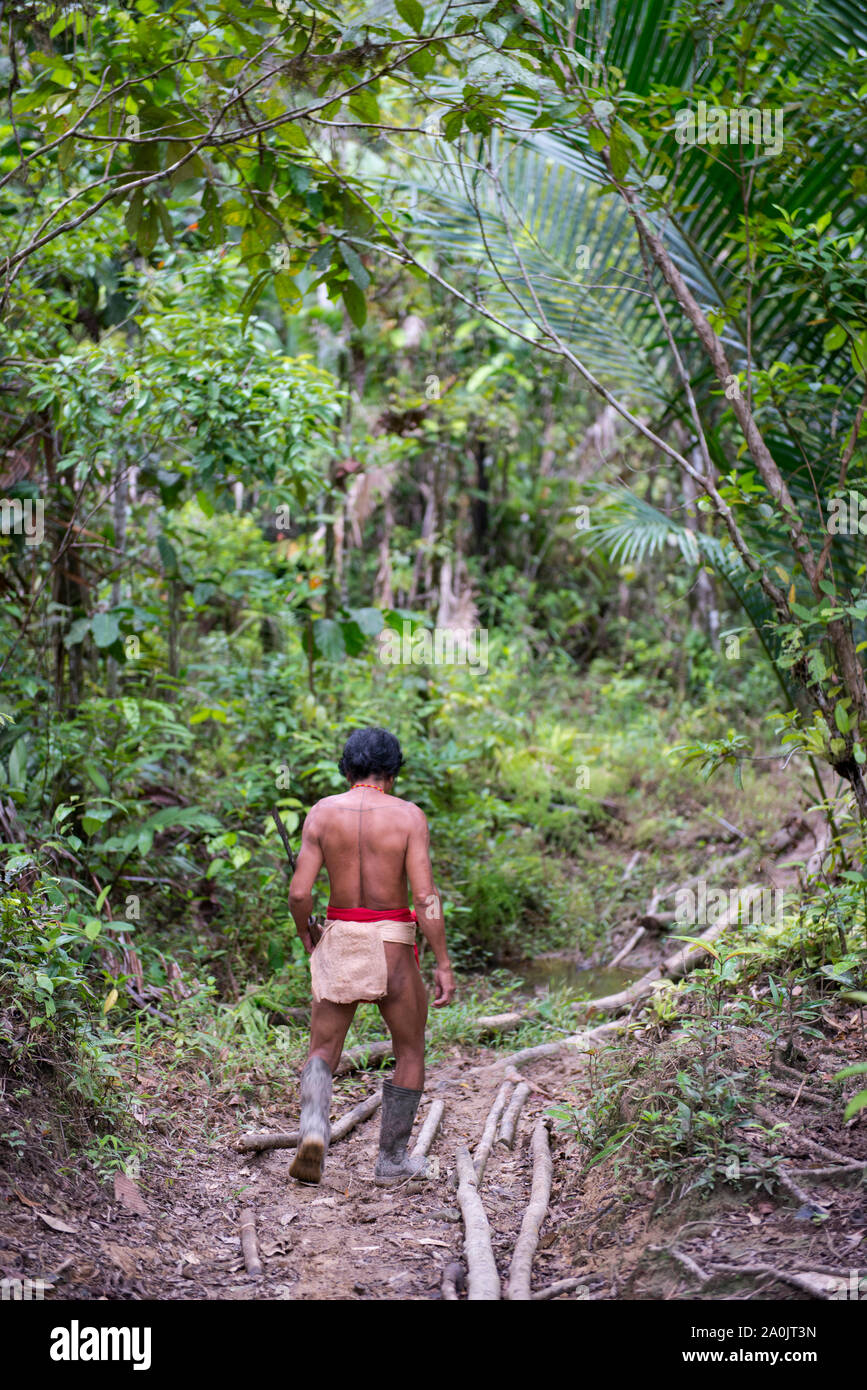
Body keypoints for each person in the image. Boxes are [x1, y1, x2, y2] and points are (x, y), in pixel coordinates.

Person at [287, 727, 456, 1185]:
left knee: (322, 1049)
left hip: (340, 937)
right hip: (393, 944)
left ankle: (314, 1130)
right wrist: (441, 961)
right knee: (409, 1049)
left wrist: (308, 934)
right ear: (393, 774)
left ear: (347, 769)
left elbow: (300, 891)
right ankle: (392, 1159)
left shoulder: (322, 814)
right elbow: (425, 898)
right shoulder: (408, 817)